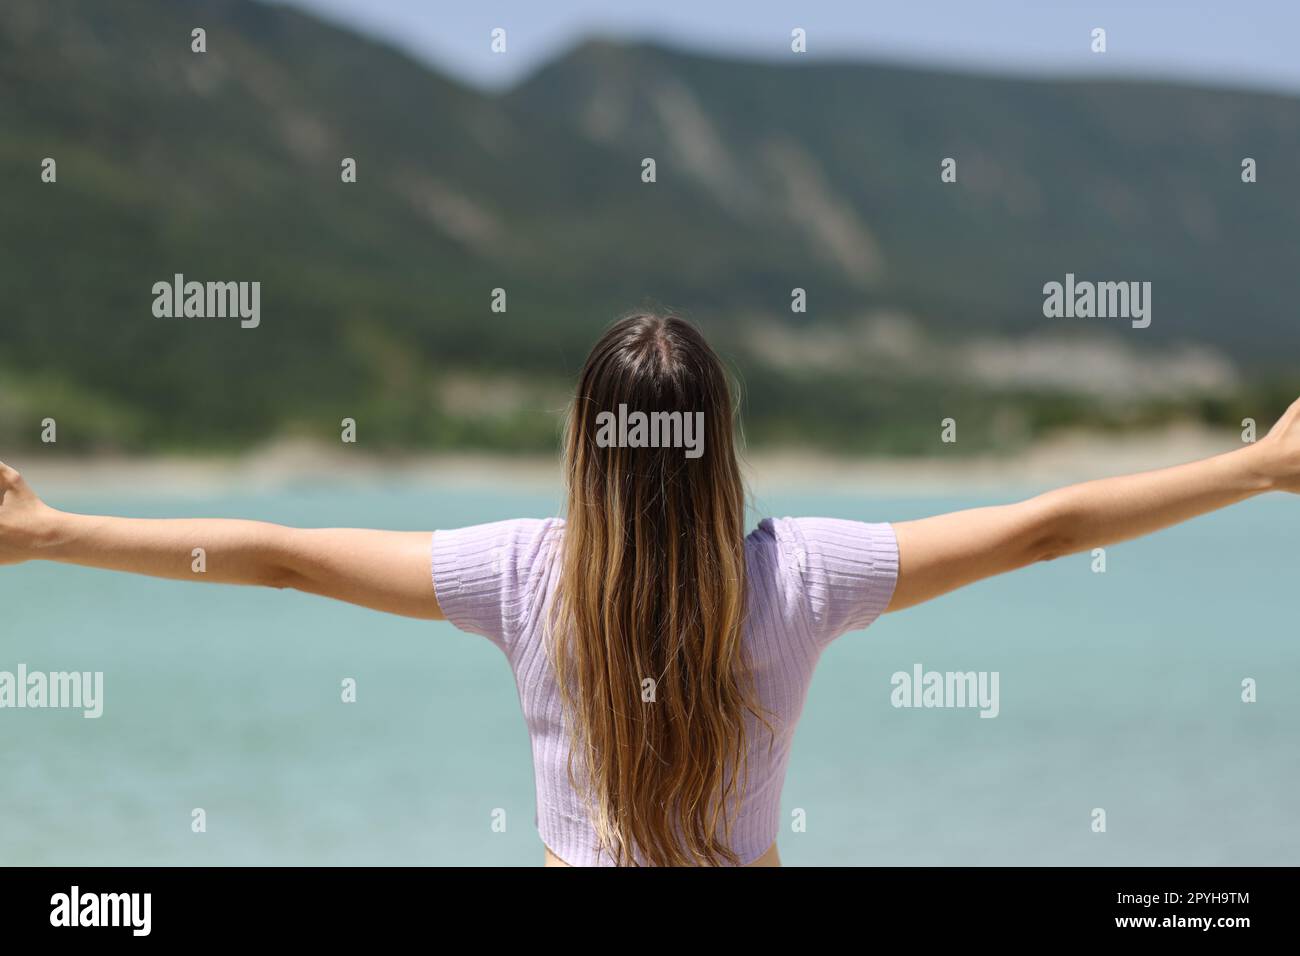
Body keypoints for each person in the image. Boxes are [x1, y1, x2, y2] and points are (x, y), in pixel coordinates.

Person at [2, 312, 1296, 866]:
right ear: (721, 443)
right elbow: (1047, 526)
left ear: (585, 445)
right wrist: (1261, 467)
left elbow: (274, 554)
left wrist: (53, 533)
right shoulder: (802, 575)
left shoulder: (521, 577)